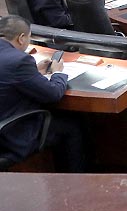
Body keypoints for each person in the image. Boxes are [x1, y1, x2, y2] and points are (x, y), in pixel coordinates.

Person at [0, 16, 86, 172]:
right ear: (21, 38)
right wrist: (58, 73)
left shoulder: (14, 61)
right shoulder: (19, 61)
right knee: (72, 127)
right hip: (10, 136)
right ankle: (75, 182)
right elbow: (53, 94)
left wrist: (34, 72)